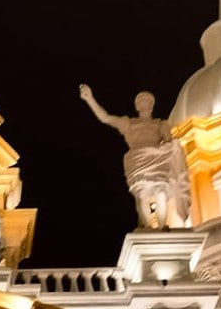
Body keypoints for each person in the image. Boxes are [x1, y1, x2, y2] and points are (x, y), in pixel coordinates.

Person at [78, 85, 191, 229]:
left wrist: (172, 147)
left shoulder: (159, 124)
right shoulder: (129, 124)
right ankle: (149, 227)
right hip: (138, 162)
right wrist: (90, 99)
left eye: (147, 101)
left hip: (157, 161)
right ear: (137, 106)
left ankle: (163, 227)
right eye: (141, 101)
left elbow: (169, 143)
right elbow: (105, 118)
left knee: (160, 193)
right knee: (142, 195)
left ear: (152, 105)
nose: (144, 104)